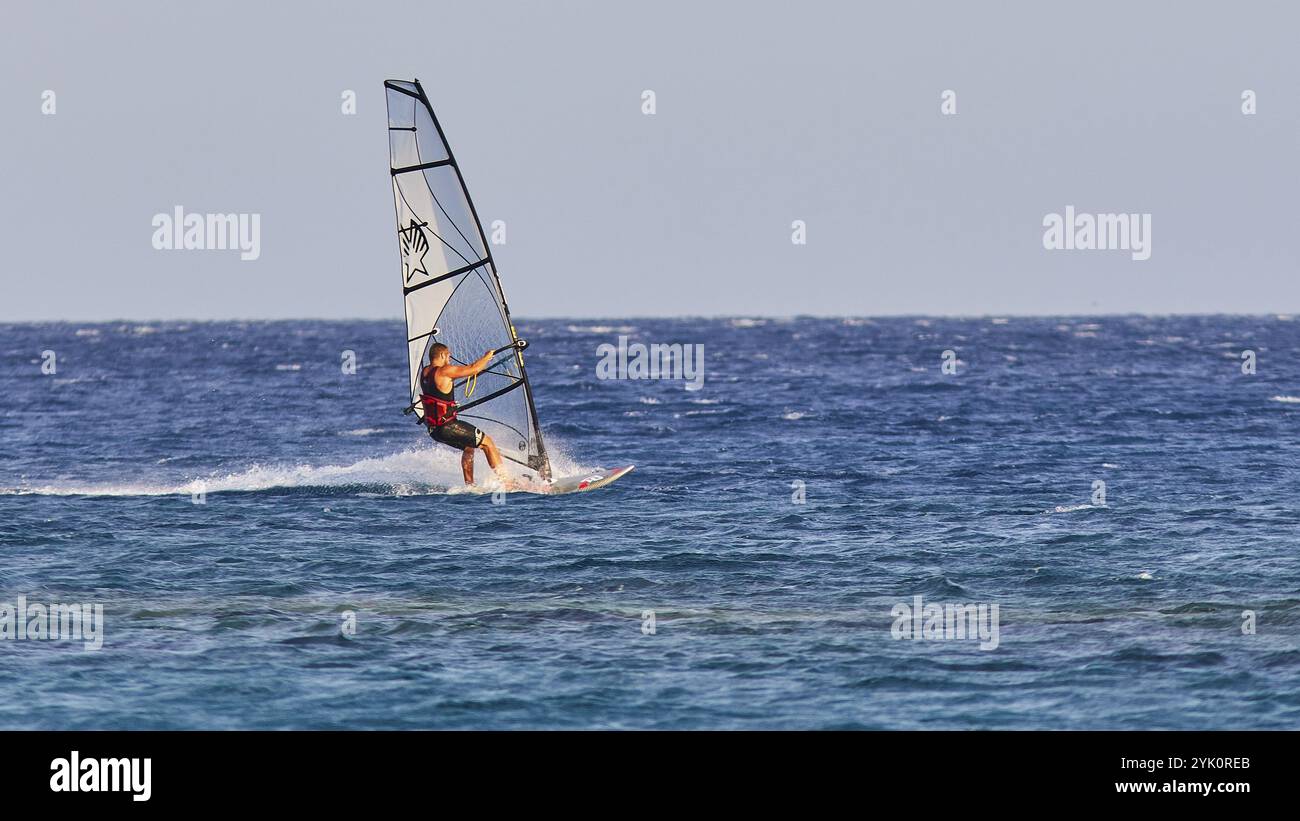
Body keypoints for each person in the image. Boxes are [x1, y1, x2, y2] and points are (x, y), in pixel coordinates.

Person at [420, 343, 509, 486]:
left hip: (434, 430)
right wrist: (487, 356)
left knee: (469, 447)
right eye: (449, 355)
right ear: (442, 355)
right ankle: (507, 482)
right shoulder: (444, 371)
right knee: (488, 444)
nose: (450, 359)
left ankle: (470, 485)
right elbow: (474, 369)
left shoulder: (424, 372)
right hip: (448, 426)